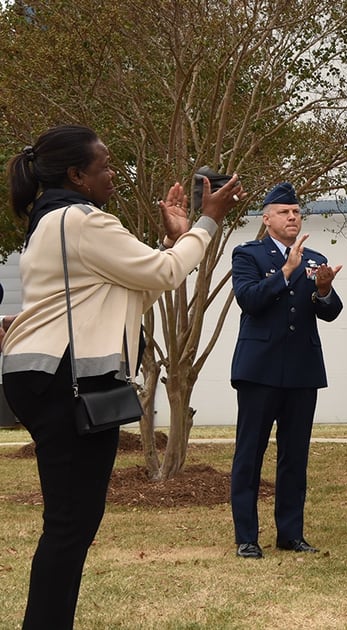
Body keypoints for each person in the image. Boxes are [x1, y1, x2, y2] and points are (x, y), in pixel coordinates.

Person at [2, 124, 241, 628]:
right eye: (105, 165)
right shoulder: (83, 221)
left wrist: (171, 241)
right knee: (70, 524)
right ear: (76, 175)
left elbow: (132, 290)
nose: (114, 174)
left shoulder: (53, 221)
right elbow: (160, 275)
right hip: (63, 380)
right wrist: (206, 223)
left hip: (40, 376)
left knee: (73, 523)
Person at [229, 182, 343, 559]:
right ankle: (247, 537)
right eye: (284, 212)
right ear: (266, 219)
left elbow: (329, 311)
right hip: (259, 369)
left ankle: (290, 534)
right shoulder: (248, 254)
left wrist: (324, 290)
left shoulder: (314, 257)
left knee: (295, 456)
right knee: (250, 454)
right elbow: (249, 300)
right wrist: (285, 271)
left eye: (296, 211)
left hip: (301, 370)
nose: (293, 217)